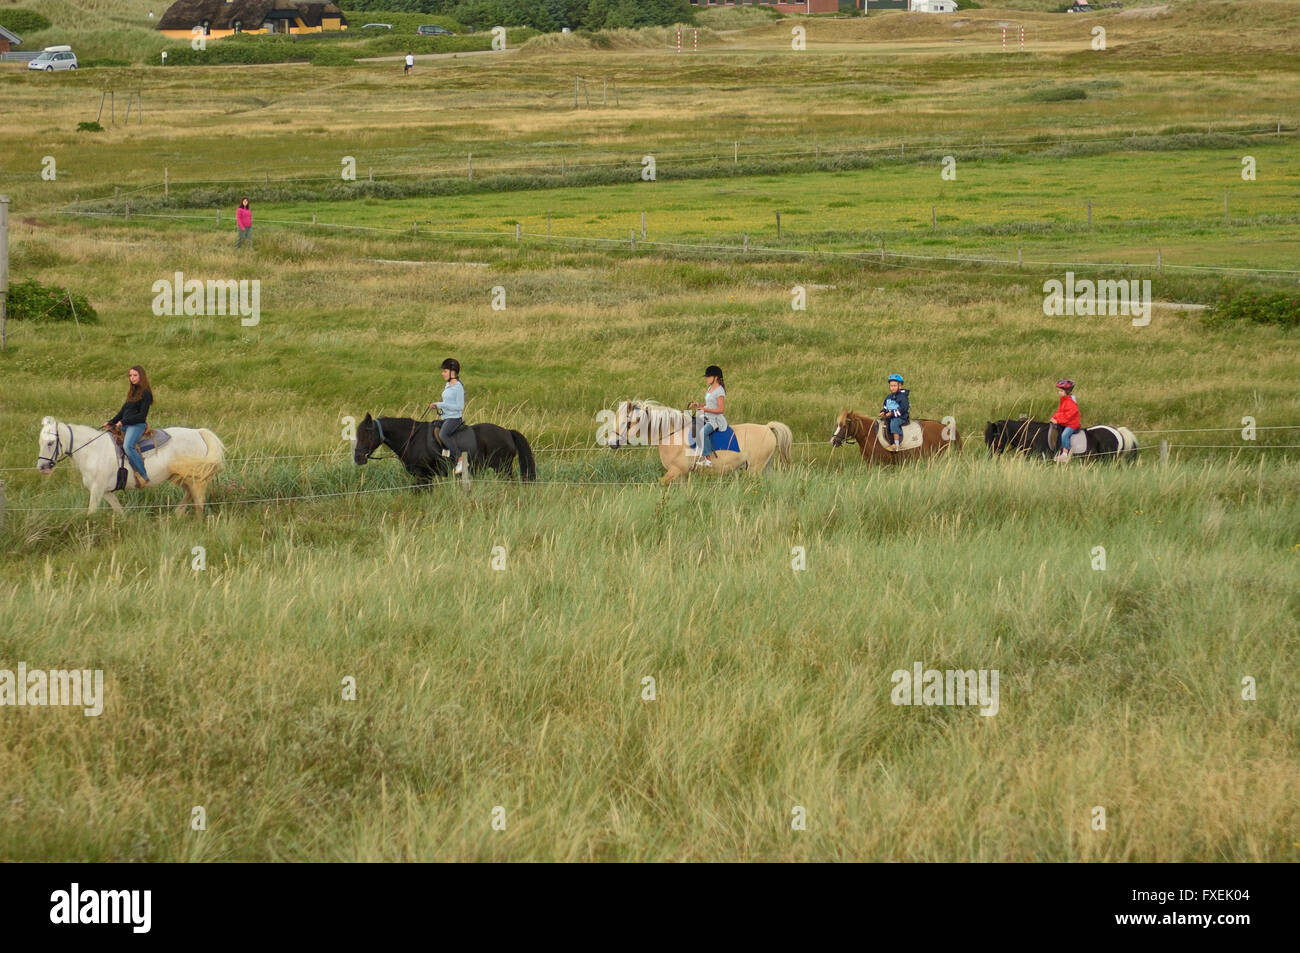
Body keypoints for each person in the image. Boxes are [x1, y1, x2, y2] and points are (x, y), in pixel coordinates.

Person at [105, 365, 153, 487]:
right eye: (130, 375)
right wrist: (111, 422)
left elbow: (142, 416)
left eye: (135, 375)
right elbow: (123, 411)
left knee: (127, 446)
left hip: (137, 425)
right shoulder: (132, 391)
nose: (132, 378)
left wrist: (124, 422)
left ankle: (144, 475)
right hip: (126, 423)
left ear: (141, 376)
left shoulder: (146, 393)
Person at [429, 358, 467, 475]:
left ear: (452, 372)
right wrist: (439, 407)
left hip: (454, 418)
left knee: (443, 434)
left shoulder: (458, 387)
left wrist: (440, 404)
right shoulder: (448, 385)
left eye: (445, 371)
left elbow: (459, 407)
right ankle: (446, 457)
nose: (442, 373)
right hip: (445, 417)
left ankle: (460, 459)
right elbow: (448, 403)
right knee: (432, 428)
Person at [688, 365, 727, 468]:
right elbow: (709, 405)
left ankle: (708, 460)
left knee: (702, 432)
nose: (707, 378)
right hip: (707, 416)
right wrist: (698, 405)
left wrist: (705, 409)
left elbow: (721, 409)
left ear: (716, 377)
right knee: (693, 427)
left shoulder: (719, 391)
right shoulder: (710, 388)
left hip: (715, 420)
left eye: (709, 376)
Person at [1051, 379, 1081, 462]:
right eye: (1059, 391)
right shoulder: (1063, 400)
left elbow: (1069, 416)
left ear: (1066, 392)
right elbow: (1060, 412)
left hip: (1072, 424)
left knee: (1064, 435)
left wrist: (1058, 421)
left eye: (1061, 391)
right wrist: (1054, 417)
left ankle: (1065, 454)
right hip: (1066, 422)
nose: (1059, 392)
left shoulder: (1070, 402)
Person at [878, 373, 910, 451]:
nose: (892, 388)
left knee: (894, 423)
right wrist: (883, 411)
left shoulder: (902, 397)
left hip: (901, 416)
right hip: (890, 416)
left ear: (900, 386)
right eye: (891, 386)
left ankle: (896, 444)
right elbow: (885, 406)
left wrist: (892, 414)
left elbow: (903, 409)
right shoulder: (888, 397)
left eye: (894, 386)